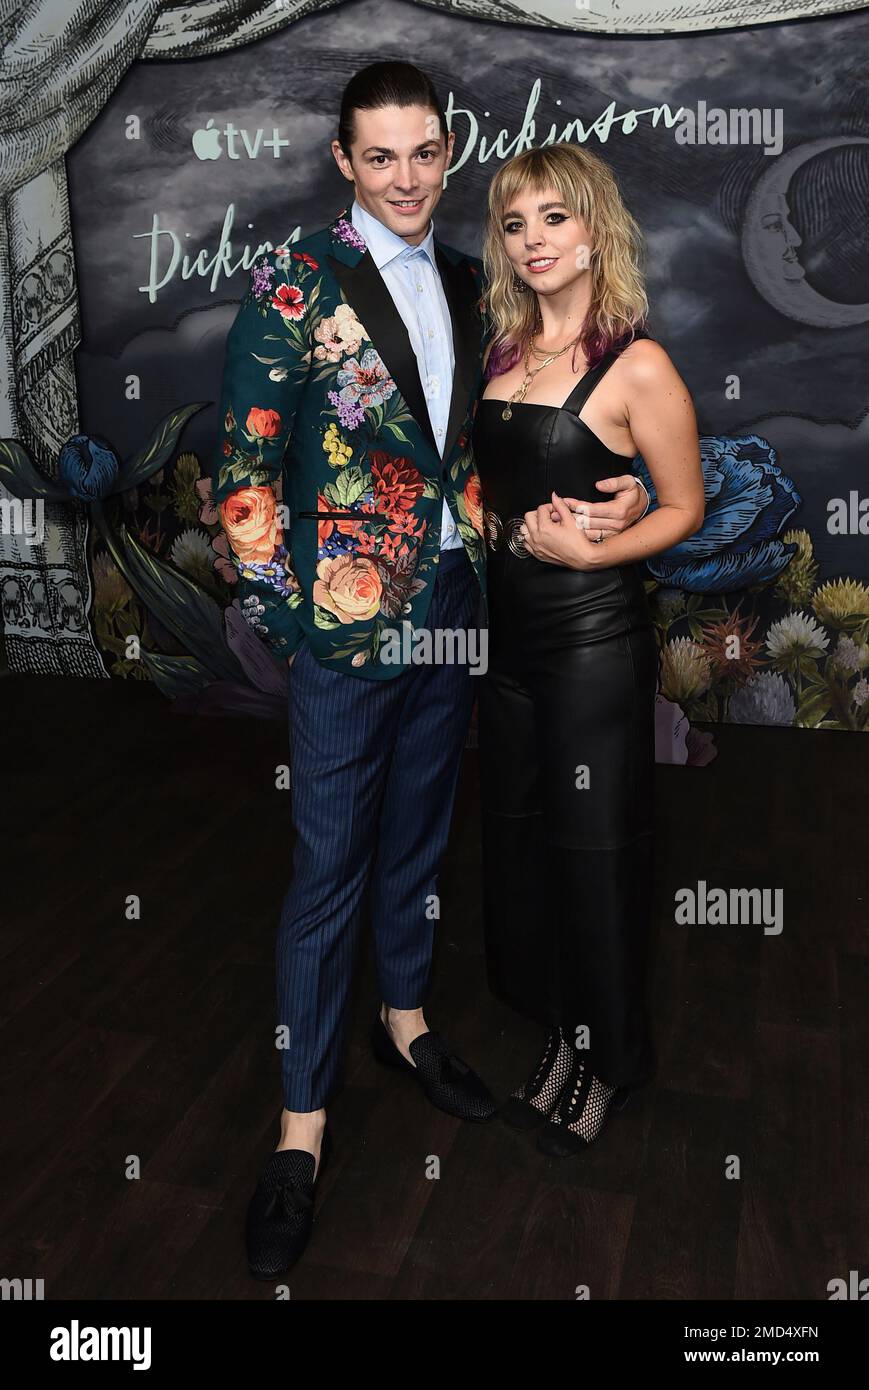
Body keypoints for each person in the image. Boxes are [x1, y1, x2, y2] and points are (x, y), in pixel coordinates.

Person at [211, 64, 649, 1278]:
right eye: (379, 157)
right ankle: (300, 1133)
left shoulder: (471, 280)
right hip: (344, 635)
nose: (404, 178)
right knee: (327, 866)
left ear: (445, 154)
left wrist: (621, 493)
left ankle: (404, 1026)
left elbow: (520, 419)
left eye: (422, 154)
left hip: (456, 608)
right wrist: (292, 621)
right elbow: (242, 471)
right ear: (343, 165)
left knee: (415, 837)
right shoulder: (291, 284)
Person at [472, 142, 704, 1155]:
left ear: (593, 227)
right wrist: (498, 518)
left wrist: (601, 535)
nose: (533, 241)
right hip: (508, 645)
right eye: (515, 223)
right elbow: (495, 482)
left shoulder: (636, 363)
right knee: (522, 845)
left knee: (596, 855)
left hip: (590, 646)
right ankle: (562, 1030)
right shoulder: (504, 350)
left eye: (553, 218)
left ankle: (612, 1060)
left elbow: (685, 508)